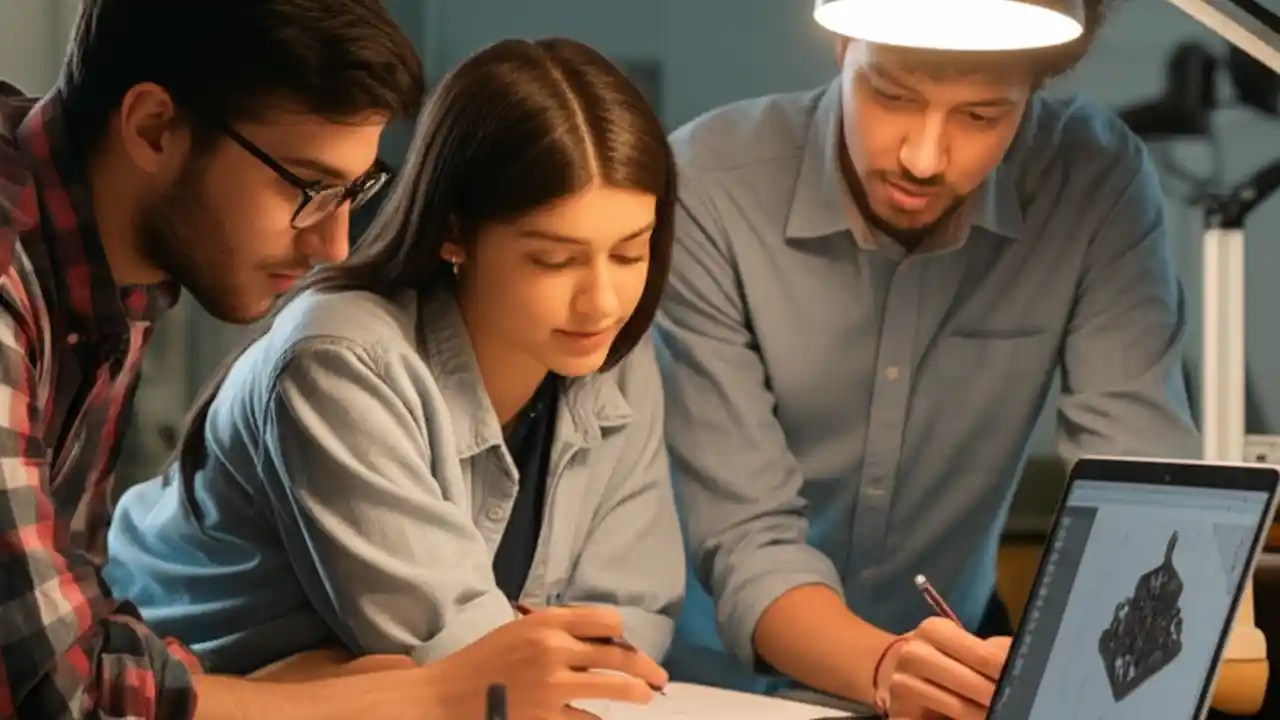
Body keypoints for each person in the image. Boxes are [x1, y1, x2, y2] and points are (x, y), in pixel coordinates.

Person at [104, 36, 682, 720]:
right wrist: (508, 652)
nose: (603, 302)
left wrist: (501, 658)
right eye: (554, 260)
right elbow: (454, 661)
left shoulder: (610, 355)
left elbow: (633, 631)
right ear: (453, 234)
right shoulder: (341, 361)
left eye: (629, 252)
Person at [656, 4, 1200, 719]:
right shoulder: (708, 186)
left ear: (1037, 87)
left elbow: (1140, 483)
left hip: (956, 674)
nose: (923, 156)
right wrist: (889, 666)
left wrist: (1101, 671)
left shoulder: (1093, 183)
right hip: (709, 685)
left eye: (981, 116)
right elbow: (748, 540)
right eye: (891, 95)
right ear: (842, 41)